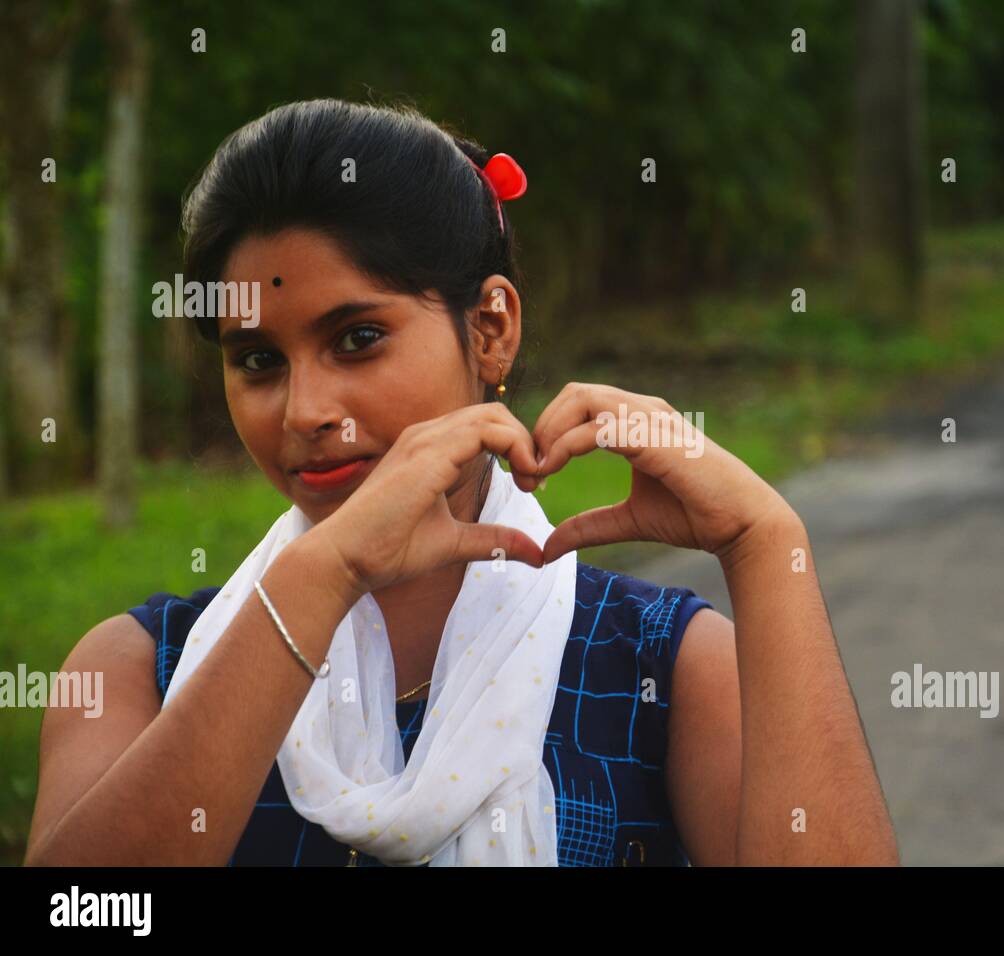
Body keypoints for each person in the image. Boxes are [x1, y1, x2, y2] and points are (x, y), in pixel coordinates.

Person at [24, 99, 898, 867]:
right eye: (257, 360)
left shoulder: (665, 669)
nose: (304, 410)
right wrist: (322, 577)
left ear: (490, 330)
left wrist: (765, 544)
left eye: (357, 338)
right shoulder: (137, 670)